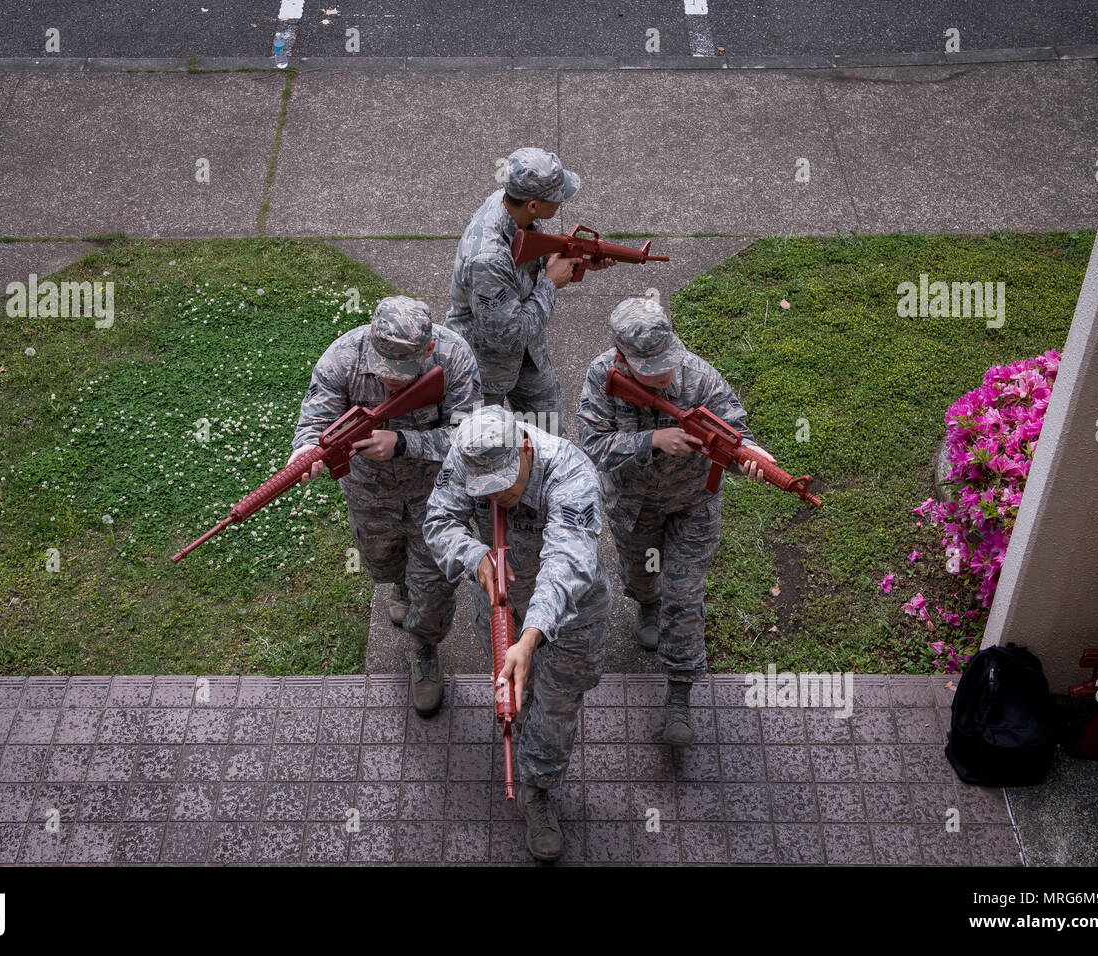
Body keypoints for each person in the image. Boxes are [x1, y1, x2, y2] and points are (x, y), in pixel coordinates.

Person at [576, 297, 778, 746]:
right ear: (623, 360)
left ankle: (679, 695)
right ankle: (646, 603)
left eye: (665, 364)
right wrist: (654, 439)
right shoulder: (600, 376)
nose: (664, 376)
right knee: (642, 575)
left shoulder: (697, 374)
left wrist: (747, 455)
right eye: (650, 369)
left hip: (692, 506)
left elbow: (735, 428)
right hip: (634, 506)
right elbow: (591, 443)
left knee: (684, 597)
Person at [424, 405, 610, 861]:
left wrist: (530, 638)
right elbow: (439, 521)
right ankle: (520, 733)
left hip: (568, 613)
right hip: (499, 600)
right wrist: (474, 557)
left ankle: (538, 788)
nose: (498, 496)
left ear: (525, 447)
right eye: (485, 489)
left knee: (558, 703)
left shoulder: (570, 471)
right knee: (515, 697)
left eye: (505, 482)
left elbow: (567, 562)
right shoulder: (467, 454)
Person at [288, 296, 482, 717]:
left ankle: (424, 647)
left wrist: (402, 443)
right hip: (370, 496)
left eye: (403, 375)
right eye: (384, 373)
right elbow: (314, 420)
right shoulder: (343, 356)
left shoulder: (456, 357)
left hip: (438, 496)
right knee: (383, 563)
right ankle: (401, 584)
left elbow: (470, 437)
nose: (392, 382)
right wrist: (303, 453)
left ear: (428, 351)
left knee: (434, 585)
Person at [444, 146, 612, 437]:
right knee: (475, 448)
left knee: (546, 436)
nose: (561, 203)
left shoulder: (510, 202)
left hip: (527, 359)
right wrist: (550, 282)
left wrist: (571, 260)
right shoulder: (488, 259)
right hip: (481, 371)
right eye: (556, 198)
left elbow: (528, 253)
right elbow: (509, 337)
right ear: (533, 204)